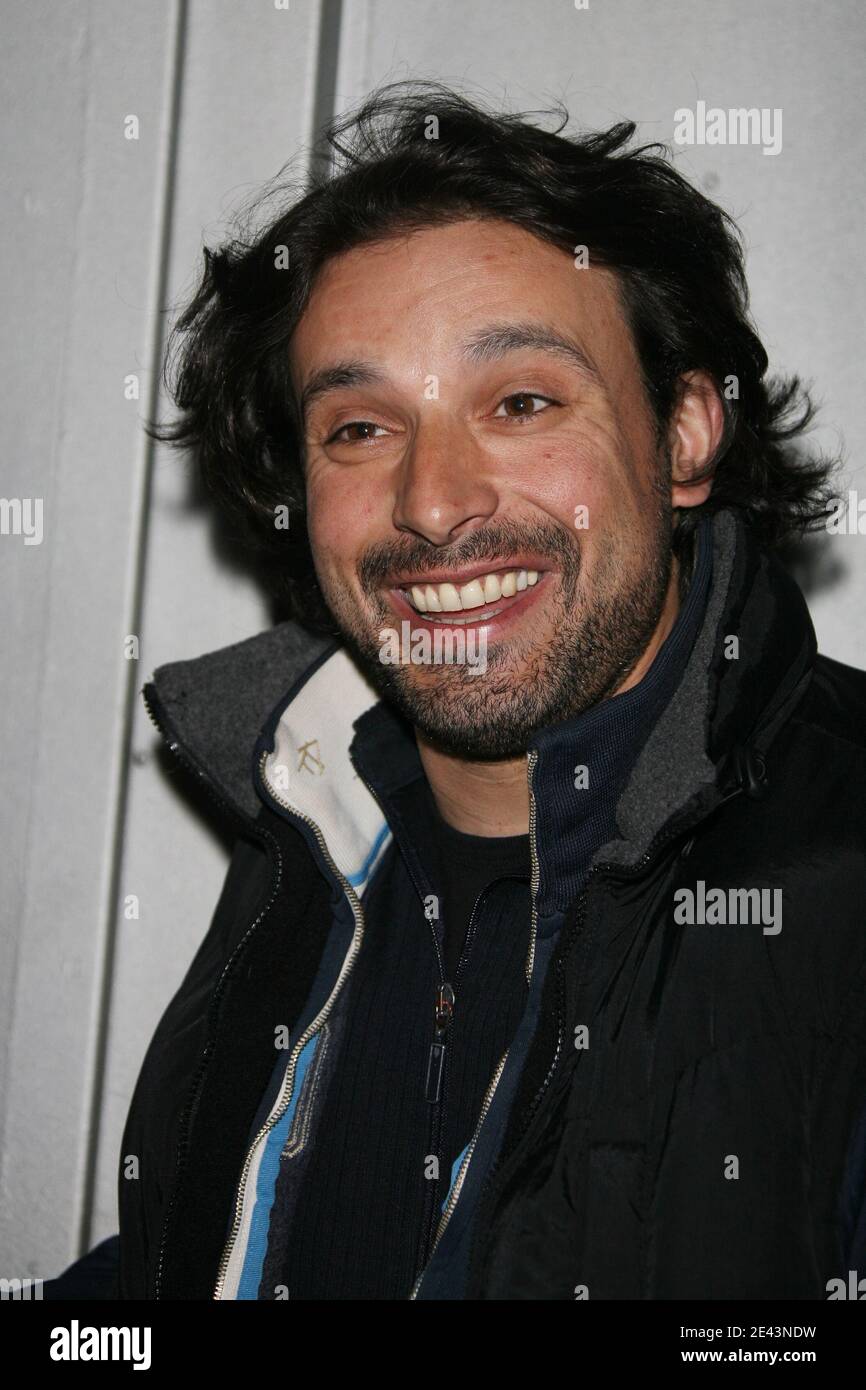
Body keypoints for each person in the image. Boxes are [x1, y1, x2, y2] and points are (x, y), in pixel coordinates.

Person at [57, 80, 866, 1300]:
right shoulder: (303, 839)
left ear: (685, 434)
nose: (433, 501)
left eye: (522, 402)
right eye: (357, 428)